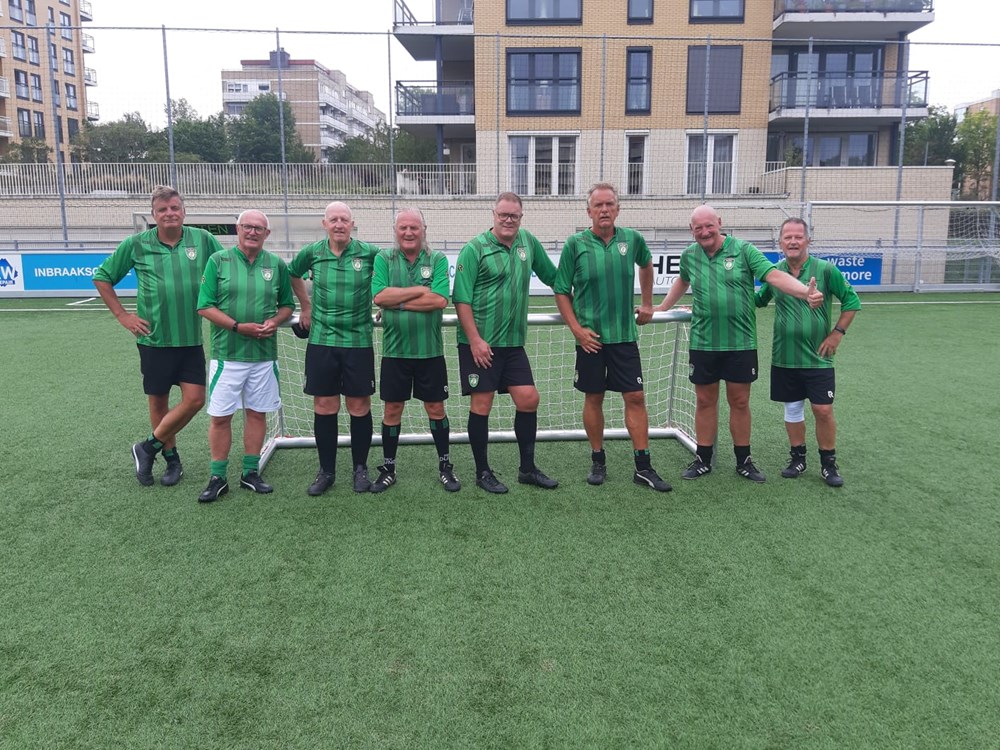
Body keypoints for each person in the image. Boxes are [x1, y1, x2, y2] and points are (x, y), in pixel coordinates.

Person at [655, 204, 824, 483]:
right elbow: (682, 282)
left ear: (719, 223)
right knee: (705, 401)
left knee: (740, 401)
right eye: (699, 228)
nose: (705, 232)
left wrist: (805, 292)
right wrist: (662, 308)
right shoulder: (689, 255)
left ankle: (743, 460)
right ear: (691, 230)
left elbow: (773, 276)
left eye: (709, 226)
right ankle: (703, 458)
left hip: (740, 343)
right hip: (704, 342)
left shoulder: (744, 250)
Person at [94, 185, 224, 488]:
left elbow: (226, 268)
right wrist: (122, 315)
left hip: (190, 338)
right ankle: (171, 460)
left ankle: (147, 447)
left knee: (195, 400)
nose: (169, 214)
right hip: (153, 339)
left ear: (183, 212)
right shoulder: (137, 244)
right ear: (153, 215)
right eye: (162, 210)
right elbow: (102, 277)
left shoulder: (202, 239)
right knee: (159, 402)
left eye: (174, 208)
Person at [554, 183, 671, 492]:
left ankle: (643, 466)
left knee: (635, 397)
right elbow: (561, 291)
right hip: (591, 339)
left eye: (609, 204)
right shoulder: (575, 244)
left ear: (618, 209)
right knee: (594, 397)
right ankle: (598, 459)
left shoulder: (632, 239)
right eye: (598, 205)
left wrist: (648, 303)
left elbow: (646, 264)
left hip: (623, 336)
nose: (604, 210)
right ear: (589, 211)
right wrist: (577, 330)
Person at [453, 192, 559, 494]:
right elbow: (461, 299)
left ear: (521, 217)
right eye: (503, 215)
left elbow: (554, 278)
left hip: (513, 344)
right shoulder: (474, 249)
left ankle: (527, 469)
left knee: (529, 399)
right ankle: (482, 472)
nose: (508, 220)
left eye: (514, 215)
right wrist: (475, 340)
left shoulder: (528, 243)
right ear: (494, 215)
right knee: (482, 403)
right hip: (480, 344)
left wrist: (583, 300)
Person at [195, 210, 295, 502]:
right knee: (220, 416)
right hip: (227, 355)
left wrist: (275, 321)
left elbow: (287, 305)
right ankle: (218, 477)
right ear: (238, 229)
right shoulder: (218, 261)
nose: (252, 232)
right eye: (247, 227)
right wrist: (238, 327)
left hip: (263, 356)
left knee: (257, 413)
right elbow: (205, 306)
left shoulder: (276, 264)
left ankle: (251, 472)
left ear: (267, 234)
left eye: (258, 228)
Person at [754, 218, 860, 487]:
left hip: (818, 357)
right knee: (792, 408)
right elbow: (759, 300)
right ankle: (797, 458)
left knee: (822, 409)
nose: (793, 241)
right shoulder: (775, 273)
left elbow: (852, 301)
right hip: (784, 356)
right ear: (780, 242)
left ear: (808, 240)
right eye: (787, 237)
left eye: (798, 237)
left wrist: (837, 333)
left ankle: (828, 463)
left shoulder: (825, 270)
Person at [289, 201, 380, 496]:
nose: (339, 224)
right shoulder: (312, 253)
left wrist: (386, 303)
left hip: (358, 342)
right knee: (324, 406)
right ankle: (326, 471)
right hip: (322, 341)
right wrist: (305, 306)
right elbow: (292, 273)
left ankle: (360, 469)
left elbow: (389, 277)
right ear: (324, 224)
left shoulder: (370, 253)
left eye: (344, 220)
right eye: (334, 219)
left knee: (359, 406)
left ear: (352, 224)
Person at [370, 208, 460, 493]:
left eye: (414, 227)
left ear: (424, 230)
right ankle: (389, 468)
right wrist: (421, 290)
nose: (408, 233)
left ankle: (445, 466)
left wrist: (397, 302)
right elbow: (379, 296)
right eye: (403, 228)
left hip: (429, 352)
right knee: (392, 409)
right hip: (394, 353)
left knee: (436, 408)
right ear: (395, 230)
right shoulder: (384, 258)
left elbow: (440, 300)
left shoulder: (437, 259)